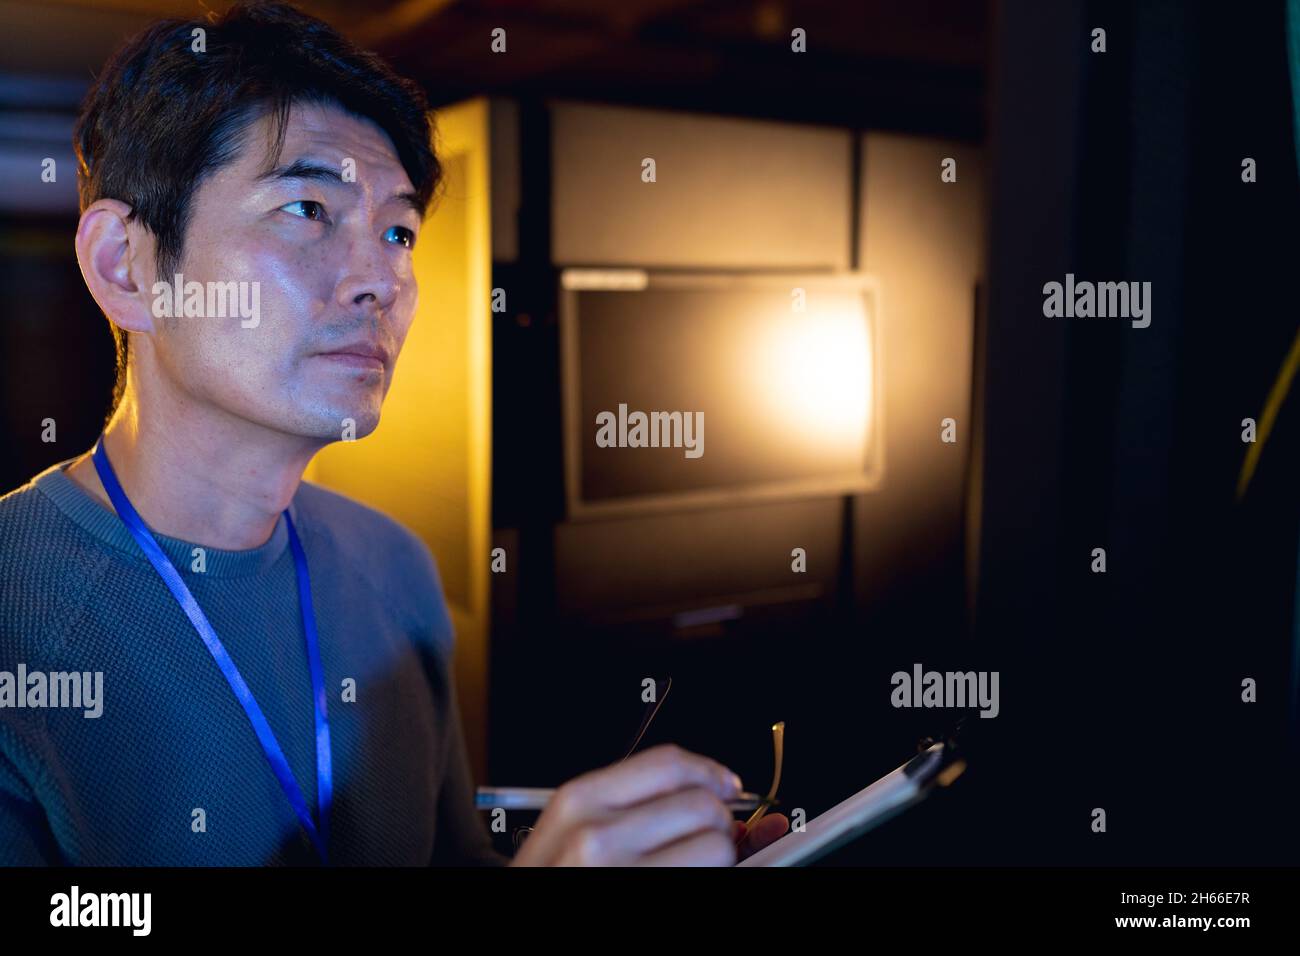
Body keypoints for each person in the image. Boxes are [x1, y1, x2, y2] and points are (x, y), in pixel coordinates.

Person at [0, 1, 786, 866]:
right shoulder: (17, 610)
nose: (381, 278)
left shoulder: (397, 568)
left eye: (399, 230)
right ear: (127, 264)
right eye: (306, 208)